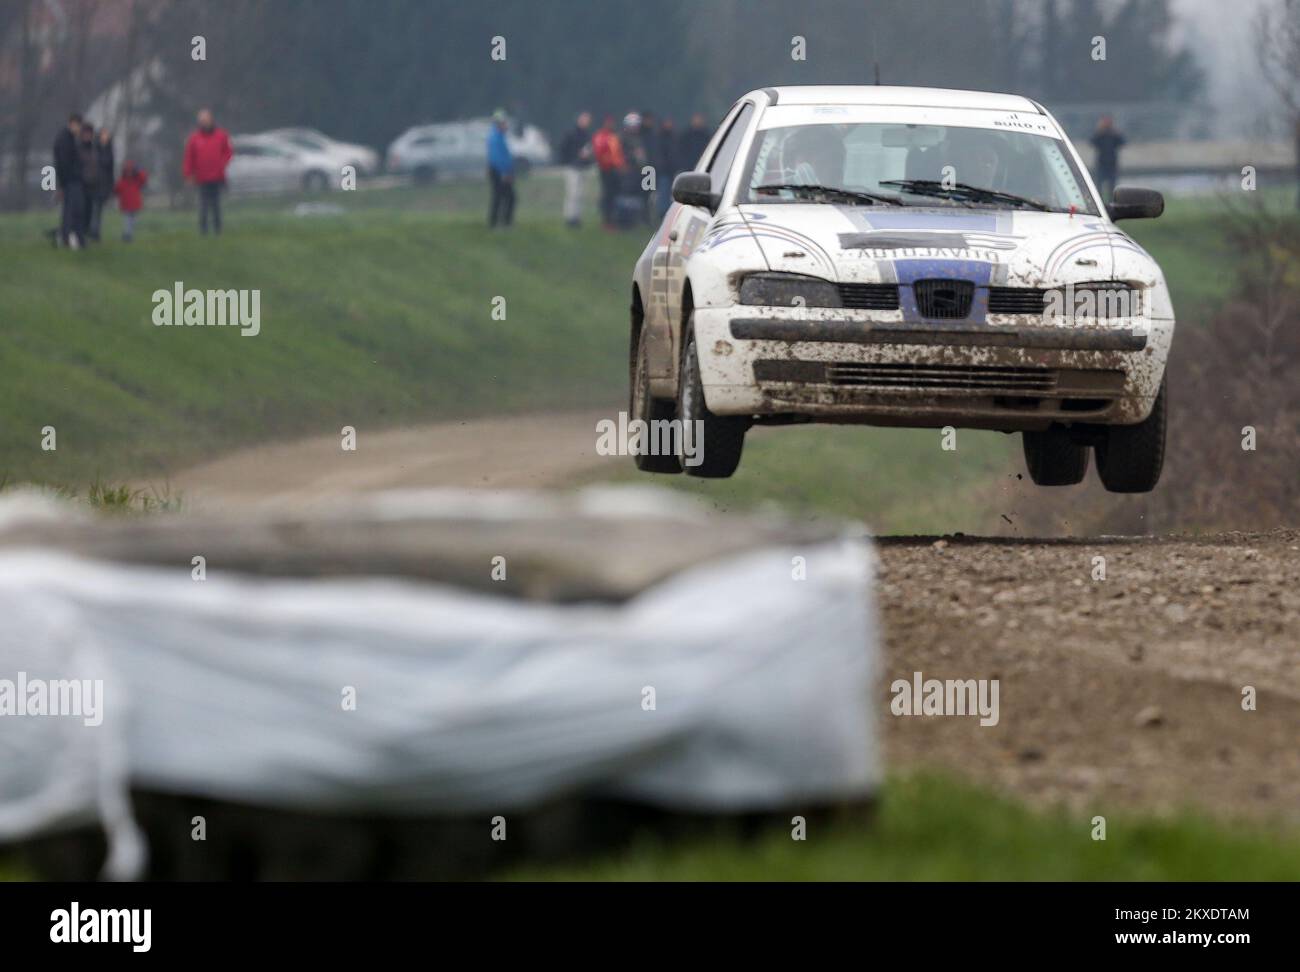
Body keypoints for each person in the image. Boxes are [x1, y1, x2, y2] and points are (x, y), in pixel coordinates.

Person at [183, 108, 234, 235]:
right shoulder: (194, 138)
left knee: (216, 205)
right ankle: (203, 230)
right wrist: (188, 174)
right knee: (203, 205)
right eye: (201, 120)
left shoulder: (221, 135)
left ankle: (218, 229)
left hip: (217, 176)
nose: (204, 122)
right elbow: (189, 158)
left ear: (211, 120)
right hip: (201, 177)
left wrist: (222, 163)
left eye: (205, 120)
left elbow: (228, 152)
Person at [52, 113, 85, 249]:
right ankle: (68, 238)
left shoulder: (69, 138)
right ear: (73, 124)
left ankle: (67, 237)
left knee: (71, 210)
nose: (79, 129)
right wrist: (64, 183)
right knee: (72, 211)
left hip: (71, 180)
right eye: (79, 125)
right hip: (70, 181)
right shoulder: (65, 139)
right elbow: (63, 163)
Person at [558, 111, 593, 228]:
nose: (586, 122)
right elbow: (564, 150)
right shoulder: (571, 134)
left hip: (582, 167)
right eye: (584, 120)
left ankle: (577, 217)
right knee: (572, 193)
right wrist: (574, 157)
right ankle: (570, 218)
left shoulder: (587, 135)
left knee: (580, 194)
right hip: (572, 167)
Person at [592, 115, 625, 230]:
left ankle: (612, 220)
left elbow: (618, 153)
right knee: (607, 195)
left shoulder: (614, 136)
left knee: (614, 195)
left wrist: (621, 166)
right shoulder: (601, 136)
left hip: (615, 170)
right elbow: (599, 153)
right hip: (606, 170)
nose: (611, 125)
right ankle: (606, 221)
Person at [486, 109, 516, 228]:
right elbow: (496, 158)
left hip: (502, 171)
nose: (506, 125)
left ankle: (499, 222)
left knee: (502, 197)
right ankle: (501, 223)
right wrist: (505, 173)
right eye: (504, 123)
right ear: (498, 123)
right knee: (505, 198)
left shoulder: (499, 136)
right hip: (499, 172)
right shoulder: (495, 137)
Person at [88, 126, 115, 242]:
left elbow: (110, 170)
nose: (105, 137)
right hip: (94, 184)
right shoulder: (95, 149)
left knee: (98, 211)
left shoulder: (109, 150)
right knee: (94, 210)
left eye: (107, 135)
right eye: (104, 134)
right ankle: (93, 233)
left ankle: (96, 233)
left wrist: (110, 187)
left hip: (103, 185)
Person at [1089, 115, 1125, 203]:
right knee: (1099, 186)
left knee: (1112, 187)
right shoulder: (1100, 134)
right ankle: (1099, 202)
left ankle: (1111, 202)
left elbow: (1122, 142)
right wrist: (1099, 131)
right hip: (1101, 163)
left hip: (1112, 164)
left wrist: (1117, 133)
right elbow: (1092, 142)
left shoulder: (1114, 134)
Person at [77, 123, 101, 242]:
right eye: (85, 134)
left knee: (90, 211)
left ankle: (88, 233)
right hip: (81, 184)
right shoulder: (78, 148)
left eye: (89, 134)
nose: (87, 136)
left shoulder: (95, 148)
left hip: (94, 185)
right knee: (81, 211)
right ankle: (80, 233)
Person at [114, 160, 148, 242]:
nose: (129, 173)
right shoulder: (122, 182)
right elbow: (116, 190)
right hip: (126, 206)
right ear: (124, 172)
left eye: (131, 171)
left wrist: (139, 170)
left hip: (135, 206)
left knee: (133, 221)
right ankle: (127, 235)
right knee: (127, 220)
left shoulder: (137, 181)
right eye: (127, 172)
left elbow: (144, 178)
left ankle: (129, 234)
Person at [656, 116, 679, 217]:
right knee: (664, 192)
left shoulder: (675, 137)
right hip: (664, 171)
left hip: (673, 170)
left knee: (672, 194)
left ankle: (671, 213)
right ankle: (662, 213)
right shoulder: (660, 138)